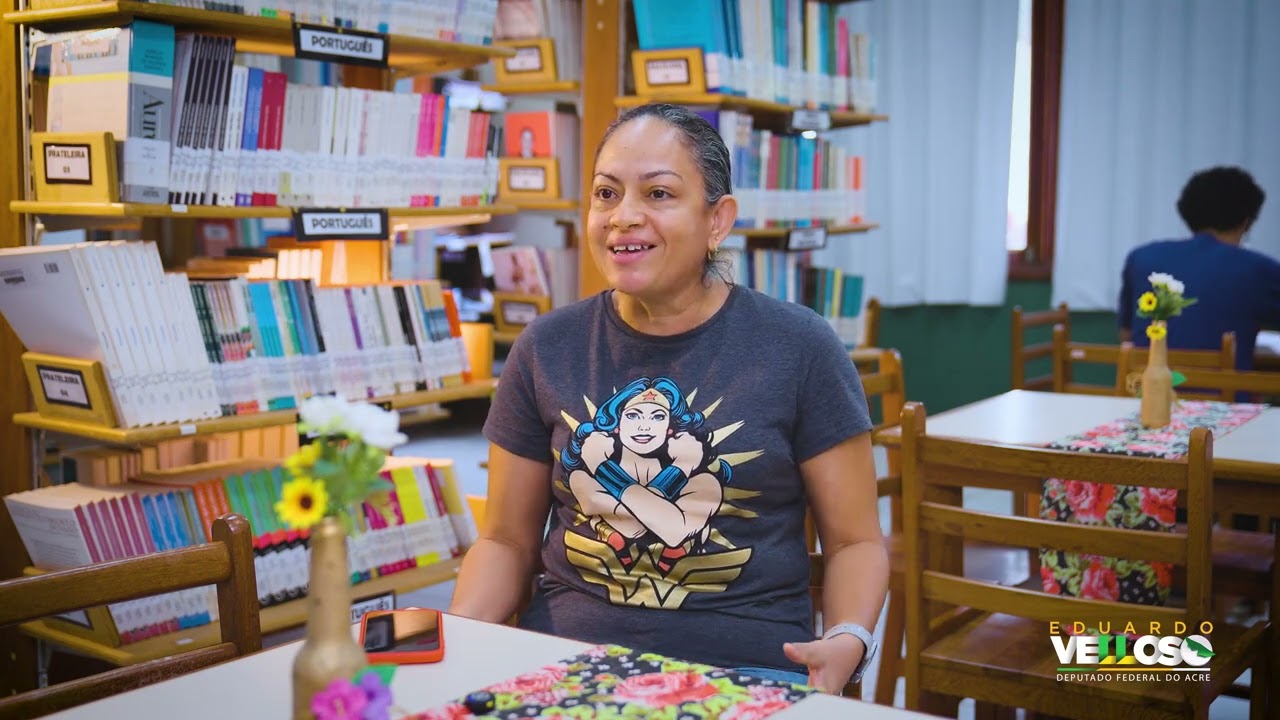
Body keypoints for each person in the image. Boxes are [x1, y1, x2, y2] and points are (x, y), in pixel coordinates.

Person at [448, 103, 888, 694]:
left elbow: (856, 541)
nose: (624, 217)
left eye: (658, 194)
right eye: (606, 194)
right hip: (564, 664)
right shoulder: (546, 346)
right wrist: (461, 633)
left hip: (746, 670)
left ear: (717, 220)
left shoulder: (800, 346)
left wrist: (848, 637)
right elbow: (505, 538)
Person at [1118, 166, 1280, 369]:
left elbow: (1126, 335)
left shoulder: (1141, 258)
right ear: (1246, 222)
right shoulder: (1260, 269)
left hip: (1148, 395)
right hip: (1226, 398)